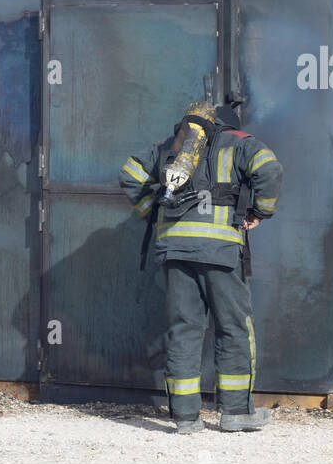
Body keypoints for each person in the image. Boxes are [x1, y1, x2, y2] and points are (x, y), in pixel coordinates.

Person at [119, 98, 282, 434]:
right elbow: (270, 170)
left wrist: (153, 211)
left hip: (176, 250)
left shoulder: (172, 146)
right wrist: (259, 213)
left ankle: (185, 418)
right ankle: (236, 412)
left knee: (184, 329)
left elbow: (130, 175)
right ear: (228, 126)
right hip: (220, 251)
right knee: (233, 328)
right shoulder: (240, 143)